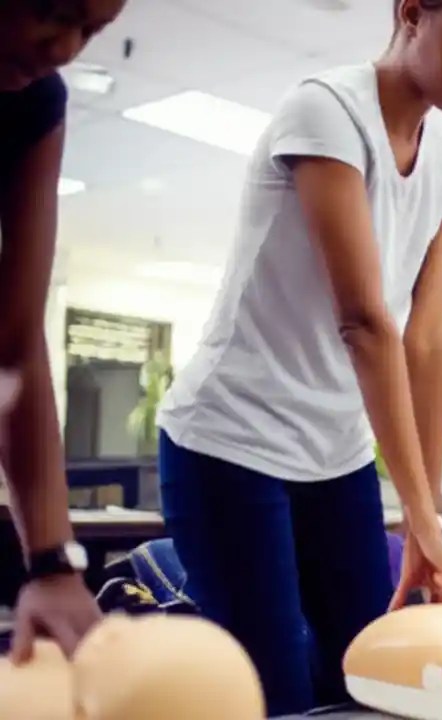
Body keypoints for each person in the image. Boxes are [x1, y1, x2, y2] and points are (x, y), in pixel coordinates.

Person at [154, 1, 442, 713]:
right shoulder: (325, 111)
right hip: (230, 443)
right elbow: (363, 321)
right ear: (412, 13)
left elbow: (432, 338)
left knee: (373, 671)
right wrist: (418, 516)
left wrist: (429, 516)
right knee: (279, 689)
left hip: (337, 456)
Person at [0, 0, 128, 662]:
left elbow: (14, 342)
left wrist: (52, 562)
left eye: (95, 29)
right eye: (52, 11)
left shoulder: (34, 106)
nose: (66, 48)